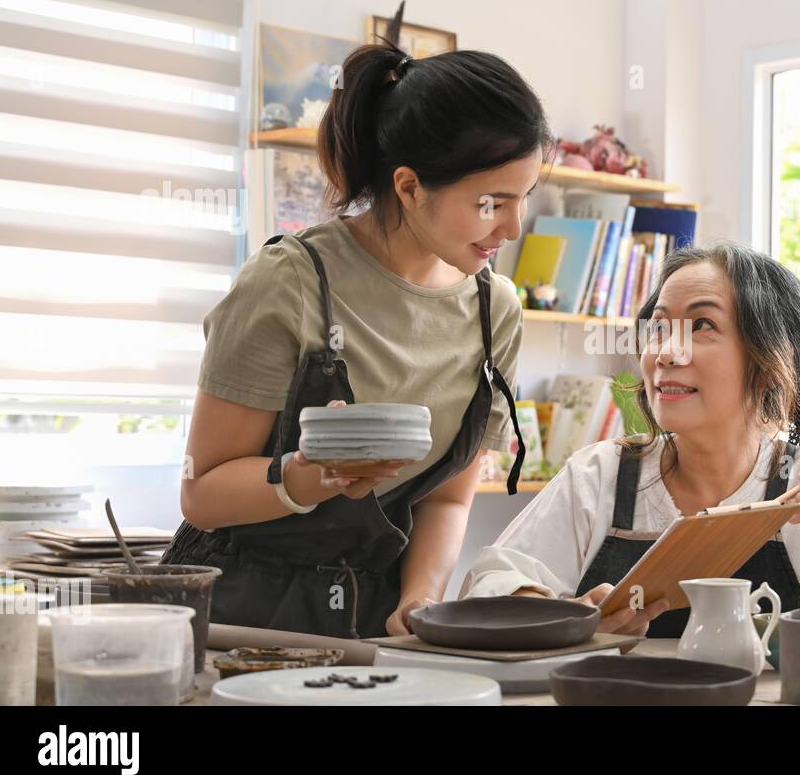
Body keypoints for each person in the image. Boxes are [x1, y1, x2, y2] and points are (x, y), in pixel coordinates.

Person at [161, 44, 552, 638]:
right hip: (239, 617)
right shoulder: (288, 282)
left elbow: (446, 501)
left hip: (372, 625)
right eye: (491, 203)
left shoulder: (493, 310)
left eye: (524, 198)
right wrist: (306, 476)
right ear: (410, 186)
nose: (514, 227)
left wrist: (420, 600)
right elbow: (202, 492)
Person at [460, 241, 800, 640]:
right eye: (659, 328)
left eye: (702, 325)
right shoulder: (600, 476)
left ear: (769, 361)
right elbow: (488, 589)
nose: (666, 352)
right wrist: (572, 618)